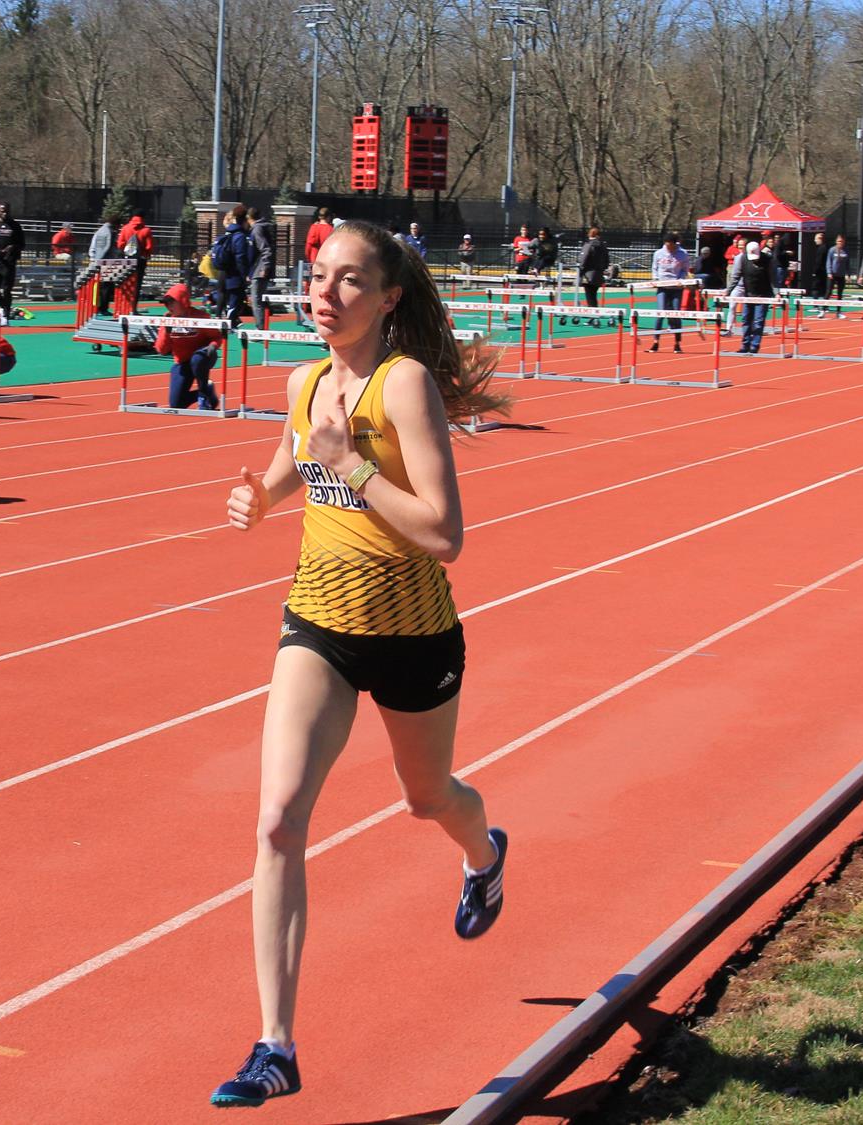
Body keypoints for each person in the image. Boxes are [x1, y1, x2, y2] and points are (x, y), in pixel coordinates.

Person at [211, 219, 509, 1109]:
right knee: (276, 822)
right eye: (318, 276)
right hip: (321, 626)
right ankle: (275, 1046)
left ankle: (484, 851)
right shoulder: (305, 382)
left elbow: (445, 535)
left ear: (387, 299)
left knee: (429, 797)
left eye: (349, 280)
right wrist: (260, 497)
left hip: (414, 635)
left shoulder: (403, 384)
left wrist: (353, 464)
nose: (326, 293)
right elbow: (292, 462)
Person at [155, 282, 224, 409]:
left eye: (172, 302)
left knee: (197, 359)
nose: (169, 306)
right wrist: (166, 332)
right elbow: (161, 350)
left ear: (182, 301)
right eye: (166, 303)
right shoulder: (167, 319)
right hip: (182, 362)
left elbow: (217, 336)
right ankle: (207, 391)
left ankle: (203, 396)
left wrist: (213, 346)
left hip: (202, 357)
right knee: (176, 404)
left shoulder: (200, 316)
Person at [213, 204, 256, 327]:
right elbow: (240, 257)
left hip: (225, 272)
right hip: (235, 275)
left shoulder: (228, 233)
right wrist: (245, 274)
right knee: (235, 301)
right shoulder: (240, 236)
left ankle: (226, 322)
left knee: (227, 298)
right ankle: (230, 325)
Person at [730, 239, 776, 354]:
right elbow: (736, 276)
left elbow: (773, 278)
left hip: (763, 294)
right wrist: (728, 290)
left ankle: (754, 346)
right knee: (746, 319)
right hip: (748, 294)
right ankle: (745, 344)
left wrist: (777, 293)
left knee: (758, 321)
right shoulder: (742, 259)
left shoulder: (768, 259)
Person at [649, 235, 691, 353]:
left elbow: (685, 270)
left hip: (676, 288)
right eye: (667, 246)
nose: (669, 248)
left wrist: (680, 279)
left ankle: (677, 343)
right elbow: (654, 268)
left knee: (675, 314)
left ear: (675, 244)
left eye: (671, 246)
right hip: (662, 287)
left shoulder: (683, 254)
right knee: (660, 313)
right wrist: (656, 279)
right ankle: (655, 342)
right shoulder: (658, 253)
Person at [249, 206, 276, 328]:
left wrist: (265, 266)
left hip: (259, 269)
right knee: (259, 298)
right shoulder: (266, 226)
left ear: (249, 218)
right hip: (261, 267)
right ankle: (262, 325)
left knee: (256, 299)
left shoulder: (257, 229)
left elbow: (265, 249)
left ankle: (260, 327)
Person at [118, 211, 156, 296]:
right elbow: (149, 247)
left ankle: (124, 301)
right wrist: (146, 254)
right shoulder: (146, 230)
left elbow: (120, 244)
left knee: (126, 281)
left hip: (127, 259)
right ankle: (134, 302)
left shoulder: (125, 228)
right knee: (137, 283)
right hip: (140, 259)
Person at [578, 226, 609, 307]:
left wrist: (580, 270)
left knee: (589, 296)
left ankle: (593, 312)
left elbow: (583, 259)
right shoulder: (603, 246)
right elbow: (607, 261)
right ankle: (594, 310)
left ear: (589, 234)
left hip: (588, 274)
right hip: (599, 274)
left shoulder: (588, 245)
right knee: (593, 295)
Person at [825, 234, 851, 313]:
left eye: (841, 241)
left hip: (841, 275)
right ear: (836, 241)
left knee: (840, 293)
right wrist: (829, 272)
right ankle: (824, 308)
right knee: (829, 291)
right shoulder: (832, 250)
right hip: (832, 275)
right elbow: (829, 261)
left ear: (844, 242)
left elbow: (847, 264)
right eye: (839, 241)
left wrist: (848, 274)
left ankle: (838, 310)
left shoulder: (846, 251)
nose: (840, 243)